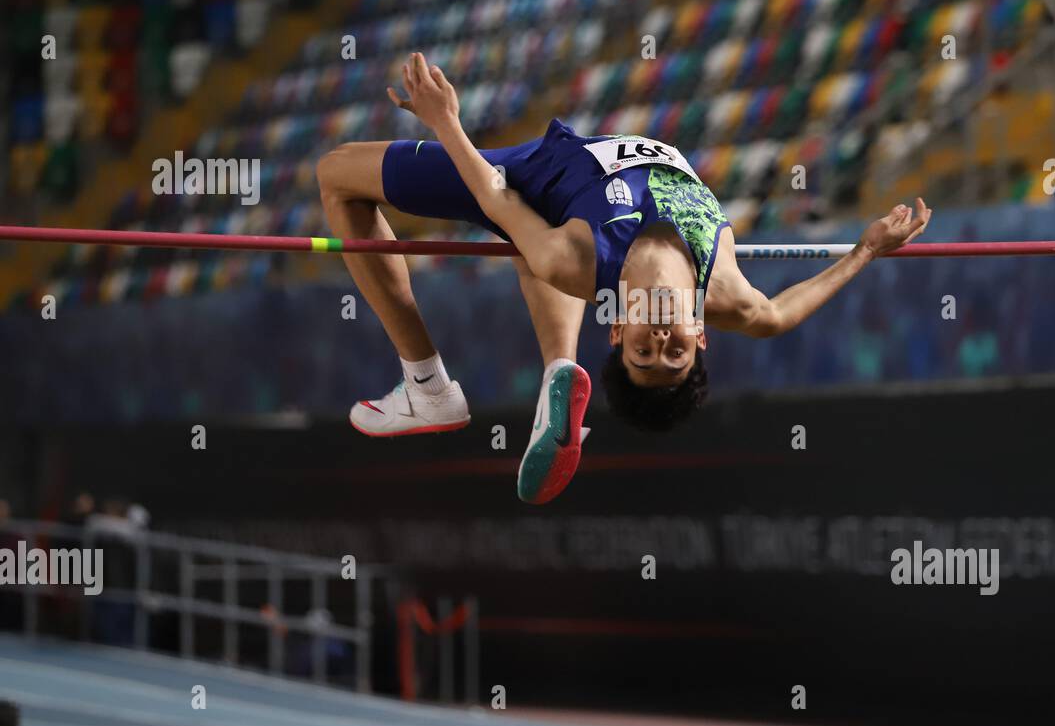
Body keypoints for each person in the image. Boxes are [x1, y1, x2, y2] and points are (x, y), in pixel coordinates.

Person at [317, 53, 932, 504]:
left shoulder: (579, 260)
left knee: (338, 174)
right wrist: (867, 250)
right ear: (700, 333)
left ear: (616, 332)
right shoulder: (730, 295)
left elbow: (500, 198)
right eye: (677, 352)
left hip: (528, 177)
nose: (662, 338)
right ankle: (557, 371)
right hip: (580, 173)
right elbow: (783, 314)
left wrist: (445, 122)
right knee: (537, 256)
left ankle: (426, 384)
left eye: (645, 351)